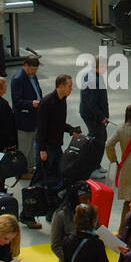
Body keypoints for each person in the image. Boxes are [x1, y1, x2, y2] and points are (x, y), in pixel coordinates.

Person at [31, 73, 80, 212]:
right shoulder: (47, 103)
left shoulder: (62, 100)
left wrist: (71, 130)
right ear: (61, 86)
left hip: (55, 146)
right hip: (46, 147)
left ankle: (50, 207)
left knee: (56, 176)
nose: (71, 89)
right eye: (69, 86)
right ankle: (30, 207)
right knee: (41, 178)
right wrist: (42, 149)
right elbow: (41, 128)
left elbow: (59, 123)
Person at [11, 54, 42, 177]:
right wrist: (31, 103)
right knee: (24, 147)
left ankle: (29, 168)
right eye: (32, 69)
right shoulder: (18, 79)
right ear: (25, 66)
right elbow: (17, 101)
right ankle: (21, 171)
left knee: (31, 145)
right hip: (24, 118)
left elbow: (37, 91)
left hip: (34, 116)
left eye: (35, 70)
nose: (33, 72)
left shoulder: (33, 77)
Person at [78, 52, 109, 173]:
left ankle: (92, 164)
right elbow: (92, 103)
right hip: (93, 115)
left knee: (95, 137)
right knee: (99, 139)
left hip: (88, 113)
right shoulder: (95, 79)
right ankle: (93, 166)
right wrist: (102, 117)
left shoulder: (89, 74)